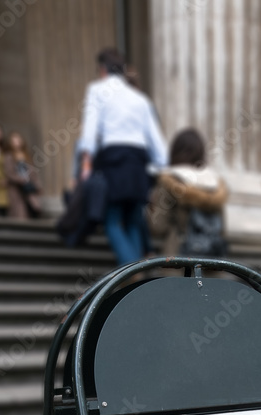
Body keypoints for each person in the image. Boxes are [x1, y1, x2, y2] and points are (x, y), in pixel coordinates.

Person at [78, 47, 167, 265]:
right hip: (139, 162)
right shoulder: (140, 99)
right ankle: (139, 282)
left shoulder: (97, 90)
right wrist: (158, 169)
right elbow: (158, 143)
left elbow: (90, 129)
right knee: (135, 220)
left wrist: (86, 163)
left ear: (102, 69)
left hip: (113, 160)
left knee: (111, 220)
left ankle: (131, 269)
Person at [147, 127, 228, 259]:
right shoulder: (215, 183)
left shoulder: (169, 180)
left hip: (178, 259)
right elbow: (222, 229)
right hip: (211, 260)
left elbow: (158, 227)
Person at [2, 132, 42, 219]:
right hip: (16, 188)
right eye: (14, 141)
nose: (17, 143)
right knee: (19, 211)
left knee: (33, 207)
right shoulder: (9, 156)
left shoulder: (27, 155)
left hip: (28, 186)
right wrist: (20, 180)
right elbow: (9, 172)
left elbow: (33, 172)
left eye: (18, 140)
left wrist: (37, 185)